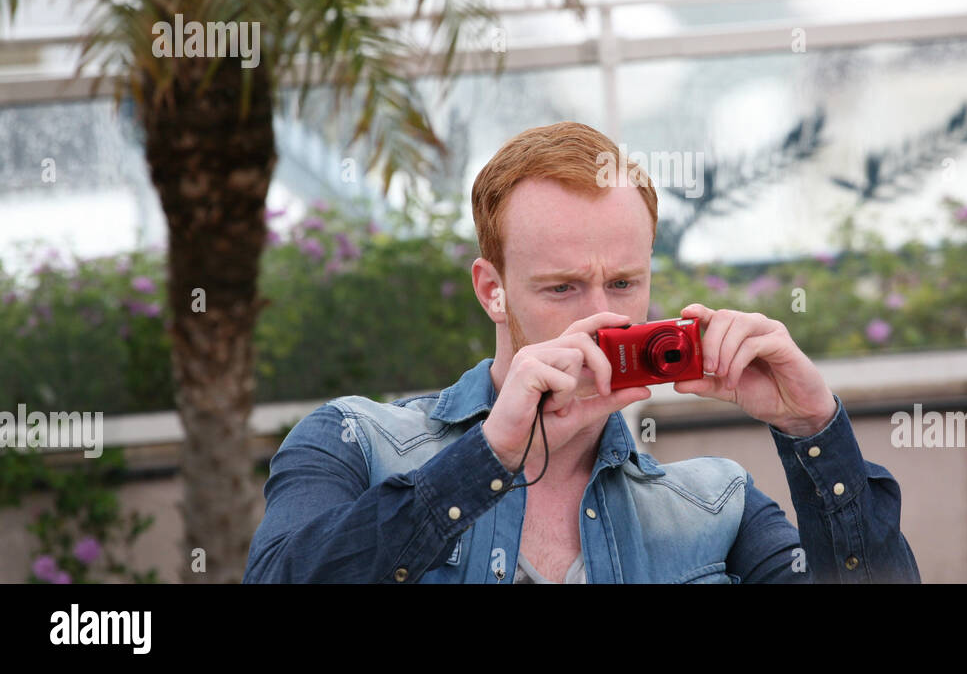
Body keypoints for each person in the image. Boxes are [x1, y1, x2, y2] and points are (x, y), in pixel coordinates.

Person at [243, 121, 921, 584]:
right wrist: (488, 456)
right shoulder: (353, 441)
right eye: (562, 286)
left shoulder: (715, 509)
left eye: (625, 282)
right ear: (493, 291)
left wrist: (812, 428)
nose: (602, 313)